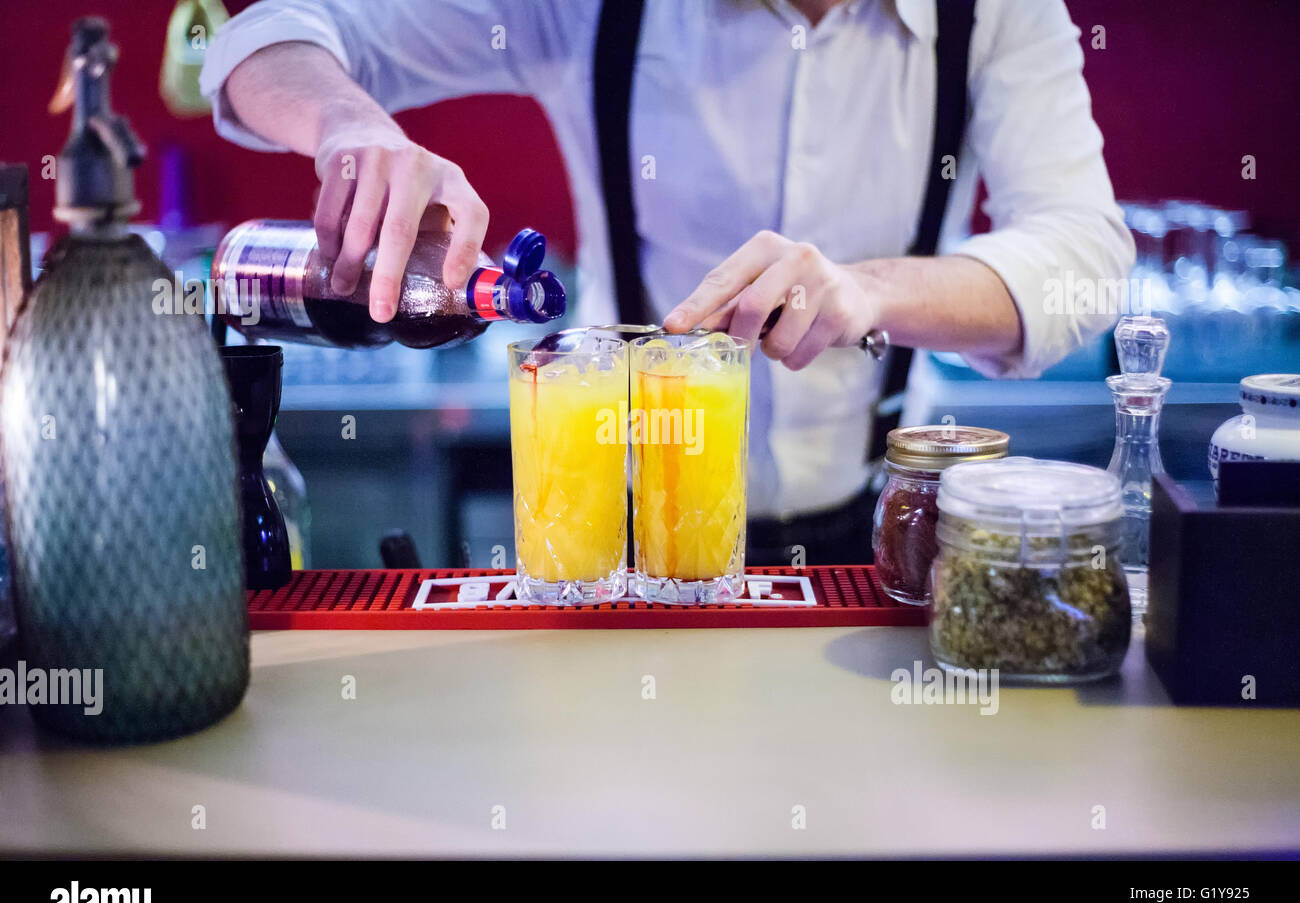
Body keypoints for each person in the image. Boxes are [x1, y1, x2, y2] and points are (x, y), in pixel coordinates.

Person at [201, 0, 1134, 564]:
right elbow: (262, 39)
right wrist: (351, 127)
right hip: (622, 538)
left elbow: (1089, 259)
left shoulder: (995, 14)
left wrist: (867, 291)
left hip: (885, 533)